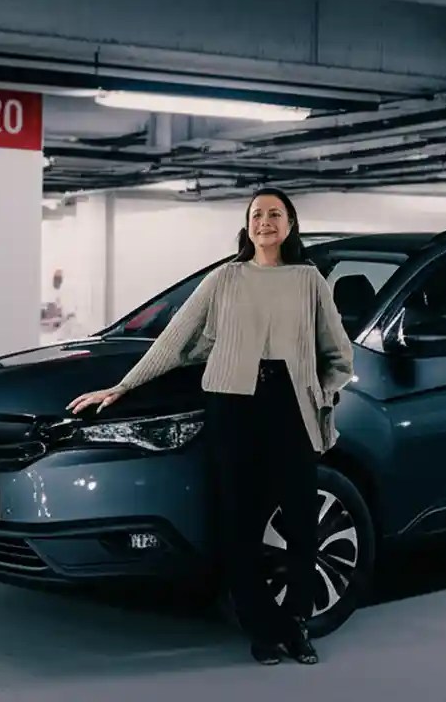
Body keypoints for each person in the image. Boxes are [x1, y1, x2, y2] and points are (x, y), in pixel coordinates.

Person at [67, 187, 354, 665]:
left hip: (290, 406)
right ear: (247, 225)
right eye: (257, 214)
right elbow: (174, 340)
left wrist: (319, 394)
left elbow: (338, 354)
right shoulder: (225, 277)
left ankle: (297, 624)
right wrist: (121, 387)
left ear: (290, 225)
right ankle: (263, 628)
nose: (266, 222)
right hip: (233, 403)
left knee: (303, 525)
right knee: (239, 525)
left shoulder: (309, 281)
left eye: (275, 214)